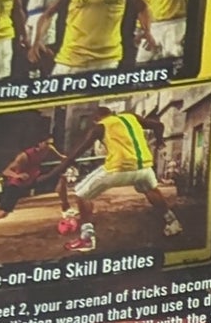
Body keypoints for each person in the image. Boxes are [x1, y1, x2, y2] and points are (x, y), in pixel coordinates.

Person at [56, 108, 182, 253]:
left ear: (96, 118)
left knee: (82, 194)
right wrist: (159, 141)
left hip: (119, 168)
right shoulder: (131, 117)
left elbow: (77, 152)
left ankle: (87, 238)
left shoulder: (101, 126)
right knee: (151, 190)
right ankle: (173, 222)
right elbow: (159, 125)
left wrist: (56, 171)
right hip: (144, 167)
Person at [0, 135, 62, 241]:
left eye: (51, 143)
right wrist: (18, 176)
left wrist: (62, 157)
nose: (50, 146)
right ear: (39, 144)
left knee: (55, 176)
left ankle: (66, 207)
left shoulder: (47, 150)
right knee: (3, 213)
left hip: (32, 180)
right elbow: (6, 171)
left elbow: (53, 149)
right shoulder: (24, 156)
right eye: (47, 143)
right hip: (16, 185)